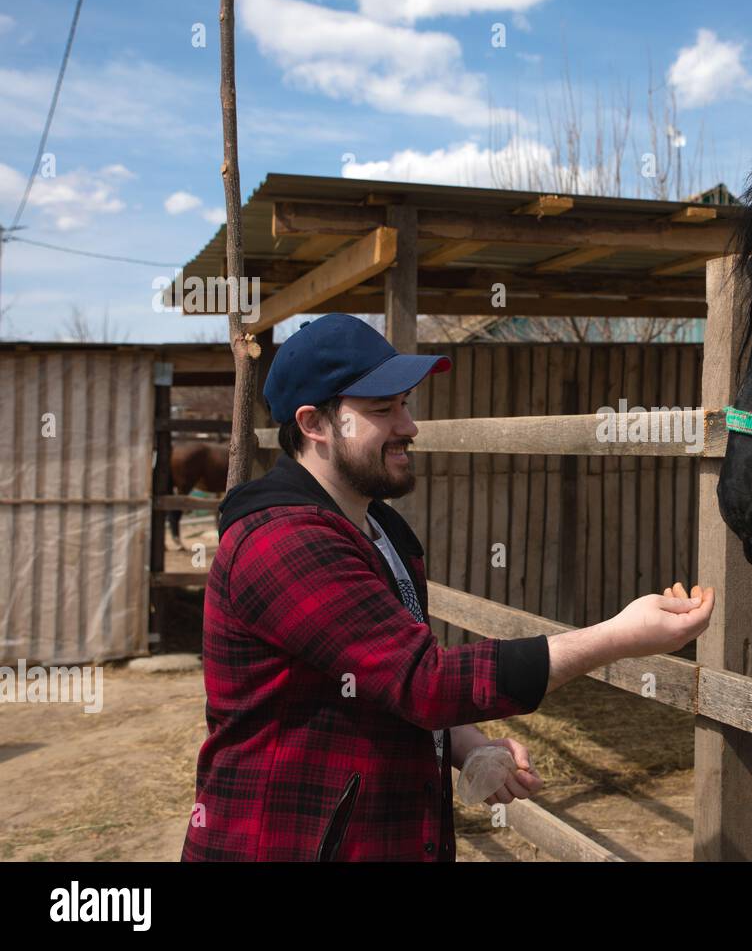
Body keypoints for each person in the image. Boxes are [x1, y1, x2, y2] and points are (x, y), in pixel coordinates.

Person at [180, 314, 715, 861]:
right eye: (383, 410)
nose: (409, 426)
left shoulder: (378, 530)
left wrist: (466, 744)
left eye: (406, 404)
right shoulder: (284, 544)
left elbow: (385, 676)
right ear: (315, 423)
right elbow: (424, 682)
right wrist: (617, 637)